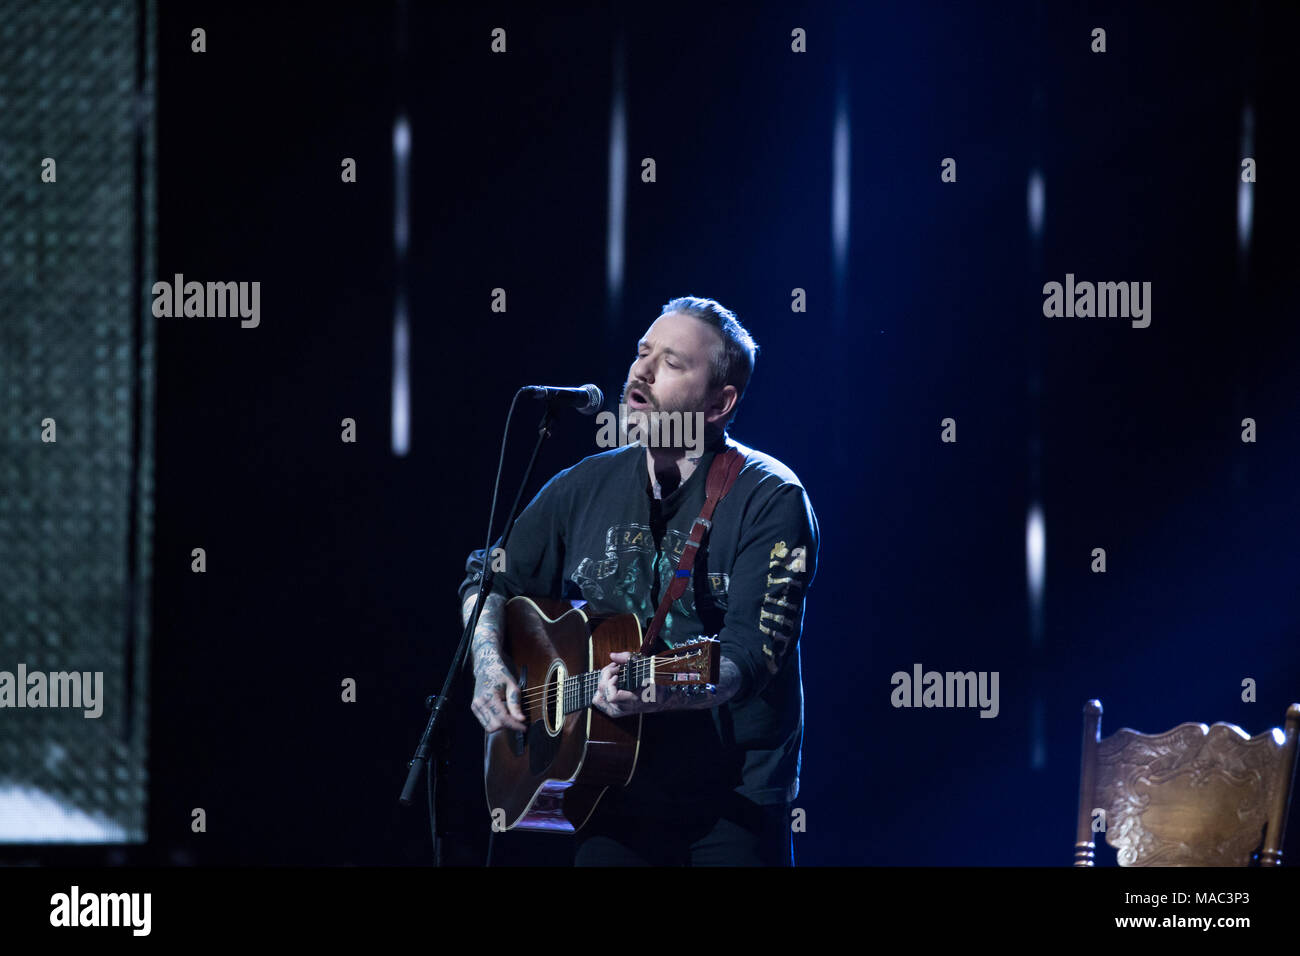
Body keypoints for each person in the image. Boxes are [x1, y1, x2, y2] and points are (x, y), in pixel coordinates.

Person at [459, 295, 818, 866]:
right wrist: (488, 667)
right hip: (609, 789)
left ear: (719, 403)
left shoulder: (769, 498)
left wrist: (666, 688)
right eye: (641, 353)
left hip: (730, 800)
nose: (641, 372)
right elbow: (488, 577)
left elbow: (752, 657)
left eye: (673, 363)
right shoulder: (585, 484)